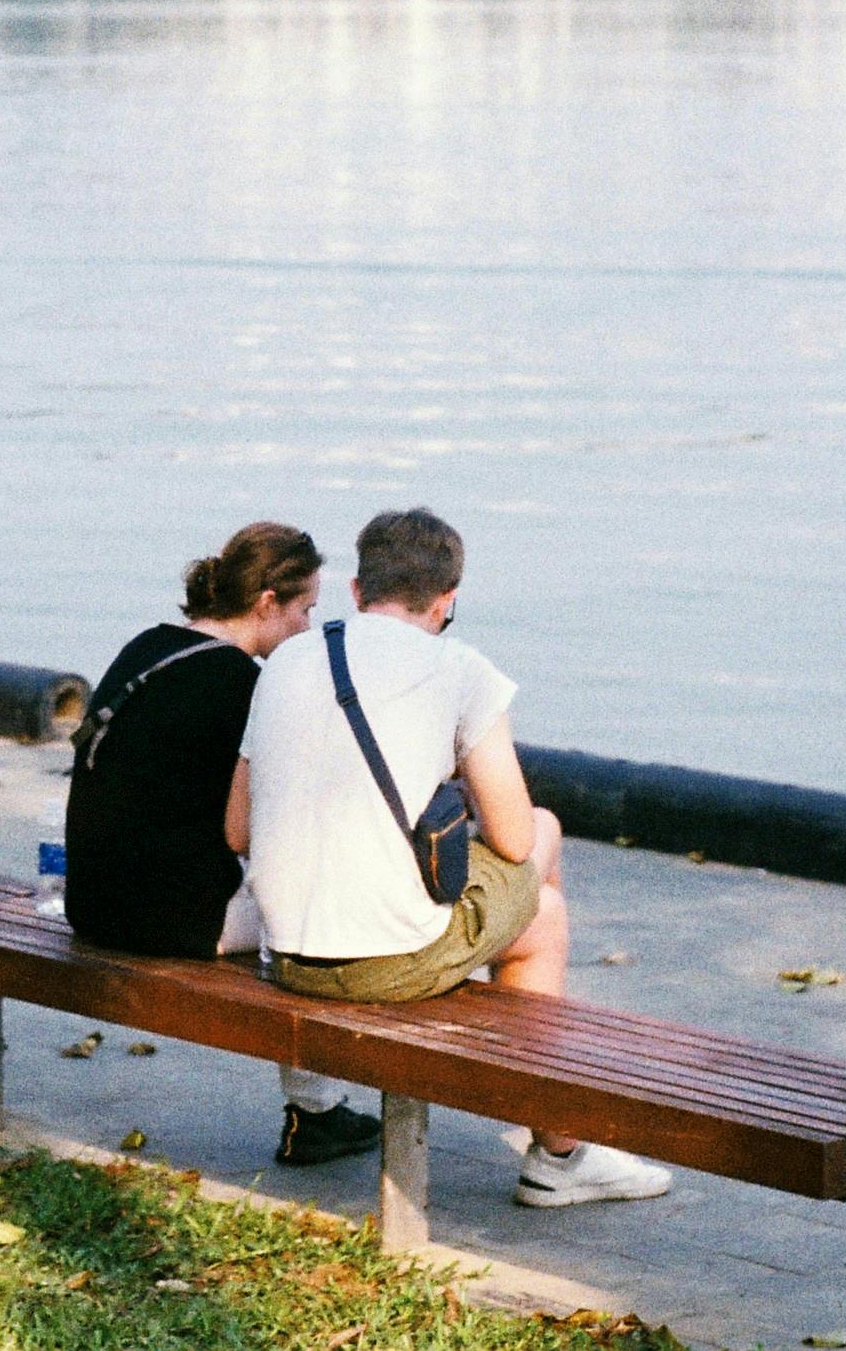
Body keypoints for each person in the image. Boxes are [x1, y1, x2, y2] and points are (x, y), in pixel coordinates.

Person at [230, 506, 673, 1208]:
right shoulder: (462, 669)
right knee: (544, 894)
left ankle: (542, 1108)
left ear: (357, 589)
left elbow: (237, 829)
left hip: (284, 954)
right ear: (447, 600)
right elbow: (514, 840)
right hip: (383, 965)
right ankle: (556, 1149)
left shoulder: (287, 660)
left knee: (528, 879)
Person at [64, 521, 379, 1166]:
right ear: (266, 602)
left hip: (92, 902)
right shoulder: (241, 683)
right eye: (304, 610)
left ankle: (321, 1109)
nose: (308, 628)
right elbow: (264, 827)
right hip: (170, 919)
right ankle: (317, 1113)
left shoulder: (150, 646)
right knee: (321, 907)